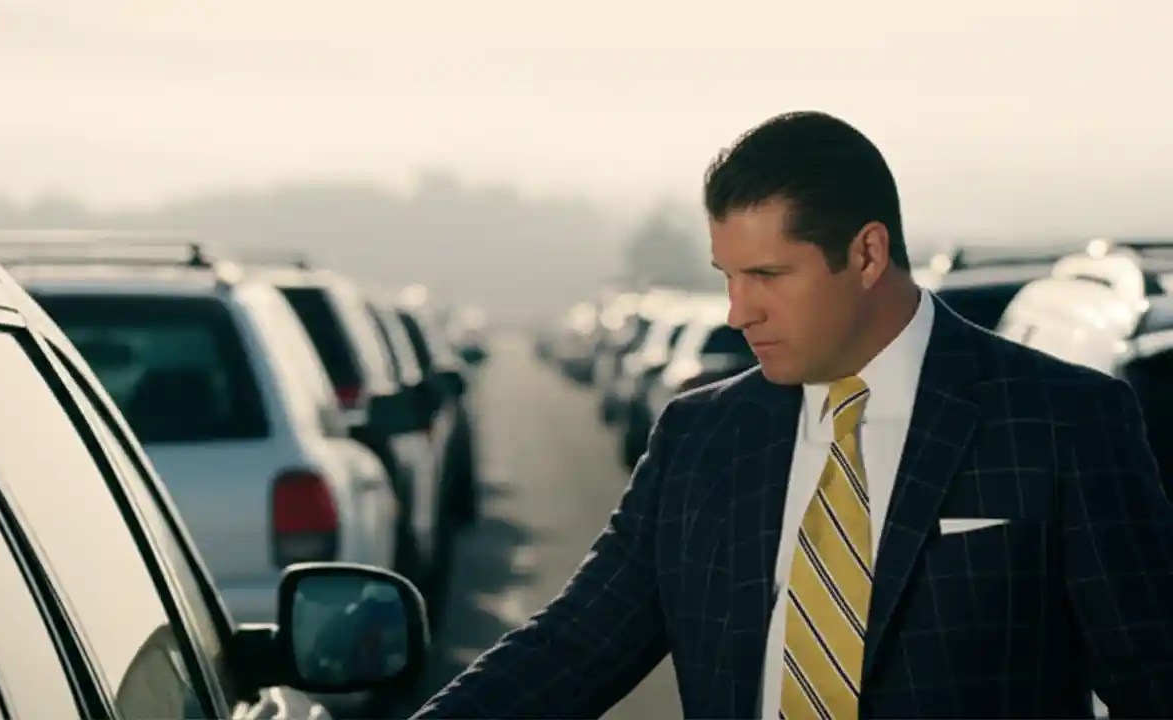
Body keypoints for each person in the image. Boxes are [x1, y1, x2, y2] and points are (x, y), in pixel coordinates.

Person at [411, 111, 1173, 718]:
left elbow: (1152, 680)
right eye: (729, 277)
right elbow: (572, 648)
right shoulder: (701, 438)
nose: (740, 312)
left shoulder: (1065, 421)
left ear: (867, 255)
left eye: (770, 275)